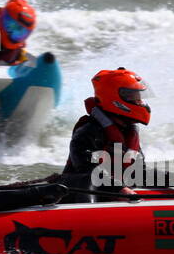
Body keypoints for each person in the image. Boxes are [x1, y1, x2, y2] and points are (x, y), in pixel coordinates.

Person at [59, 67, 152, 202]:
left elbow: (140, 174)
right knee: (86, 179)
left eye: (140, 98)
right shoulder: (88, 131)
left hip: (113, 192)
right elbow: (89, 172)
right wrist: (120, 190)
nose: (140, 102)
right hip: (78, 194)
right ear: (114, 99)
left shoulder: (127, 133)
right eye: (134, 97)